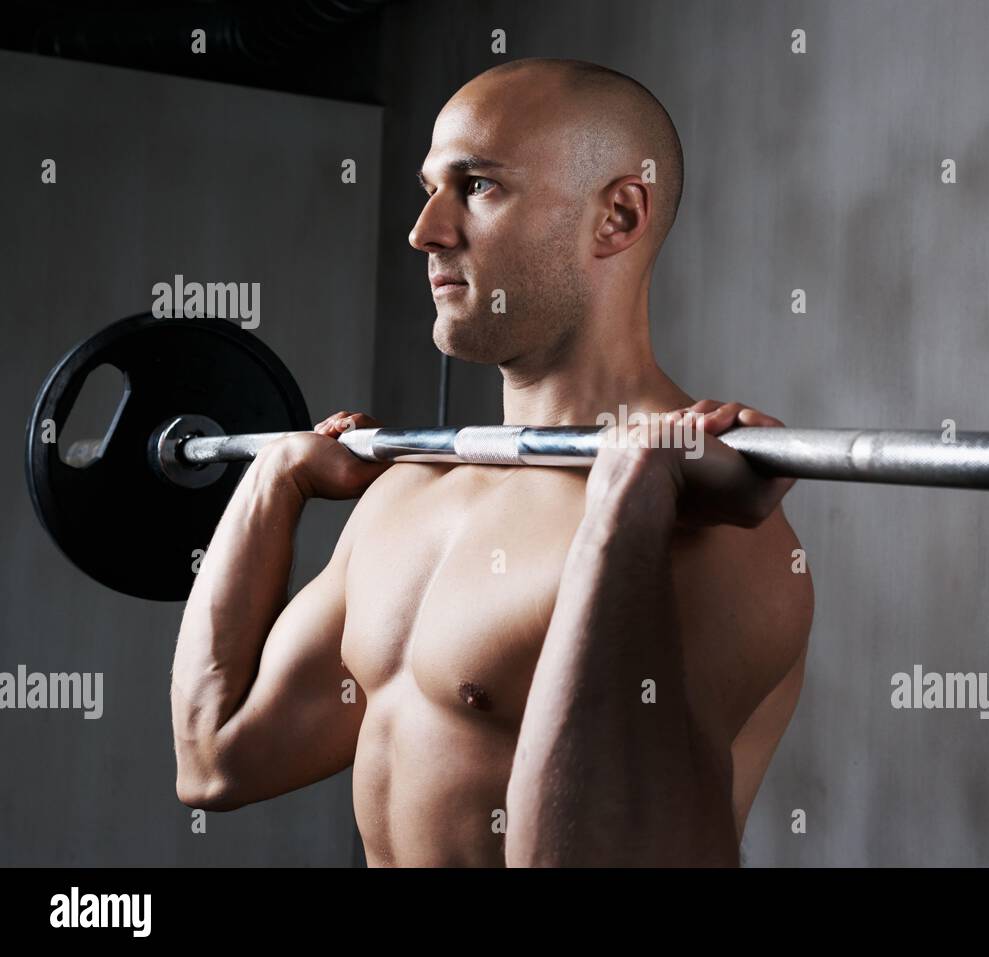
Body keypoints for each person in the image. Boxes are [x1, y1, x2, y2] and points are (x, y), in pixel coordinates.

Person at [171, 57, 814, 866]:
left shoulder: (710, 533)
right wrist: (271, 485)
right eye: (429, 187)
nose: (426, 230)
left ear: (616, 216)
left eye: (476, 185)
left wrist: (625, 514)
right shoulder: (406, 495)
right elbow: (215, 756)